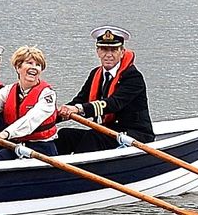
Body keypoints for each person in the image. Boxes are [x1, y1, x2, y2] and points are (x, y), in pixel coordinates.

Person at [56, 26, 154, 154]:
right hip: (107, 132)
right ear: (97, 51)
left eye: (113, 50)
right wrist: (55, 116)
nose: (108, 55)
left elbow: (113, 104)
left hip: (136, 134)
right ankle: (52, 170)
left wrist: (78, 109)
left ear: (122, 52)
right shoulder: (95, 74)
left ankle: (79, 171)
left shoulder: (133, 77)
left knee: (92, 138)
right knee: (65, 135)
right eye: (104, 49)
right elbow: (80, 100)